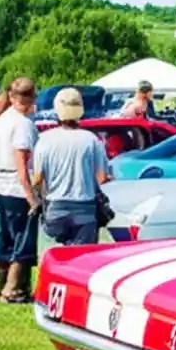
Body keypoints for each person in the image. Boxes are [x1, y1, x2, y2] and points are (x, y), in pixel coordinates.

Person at [0, 78, 41, 303]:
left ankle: (0, 286)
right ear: (32, 98)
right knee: (23, 240)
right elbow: (21, 160)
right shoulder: (23, 124)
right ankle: (13, 289)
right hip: (16, 189)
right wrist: (31, 196)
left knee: (4, 238)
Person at [32, 88, 110, 246]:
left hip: (55, 208)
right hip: (85, 210)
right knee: (81, 262)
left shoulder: (44, 140)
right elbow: (101, 178)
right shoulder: (92, 140)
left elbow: (38, 178)